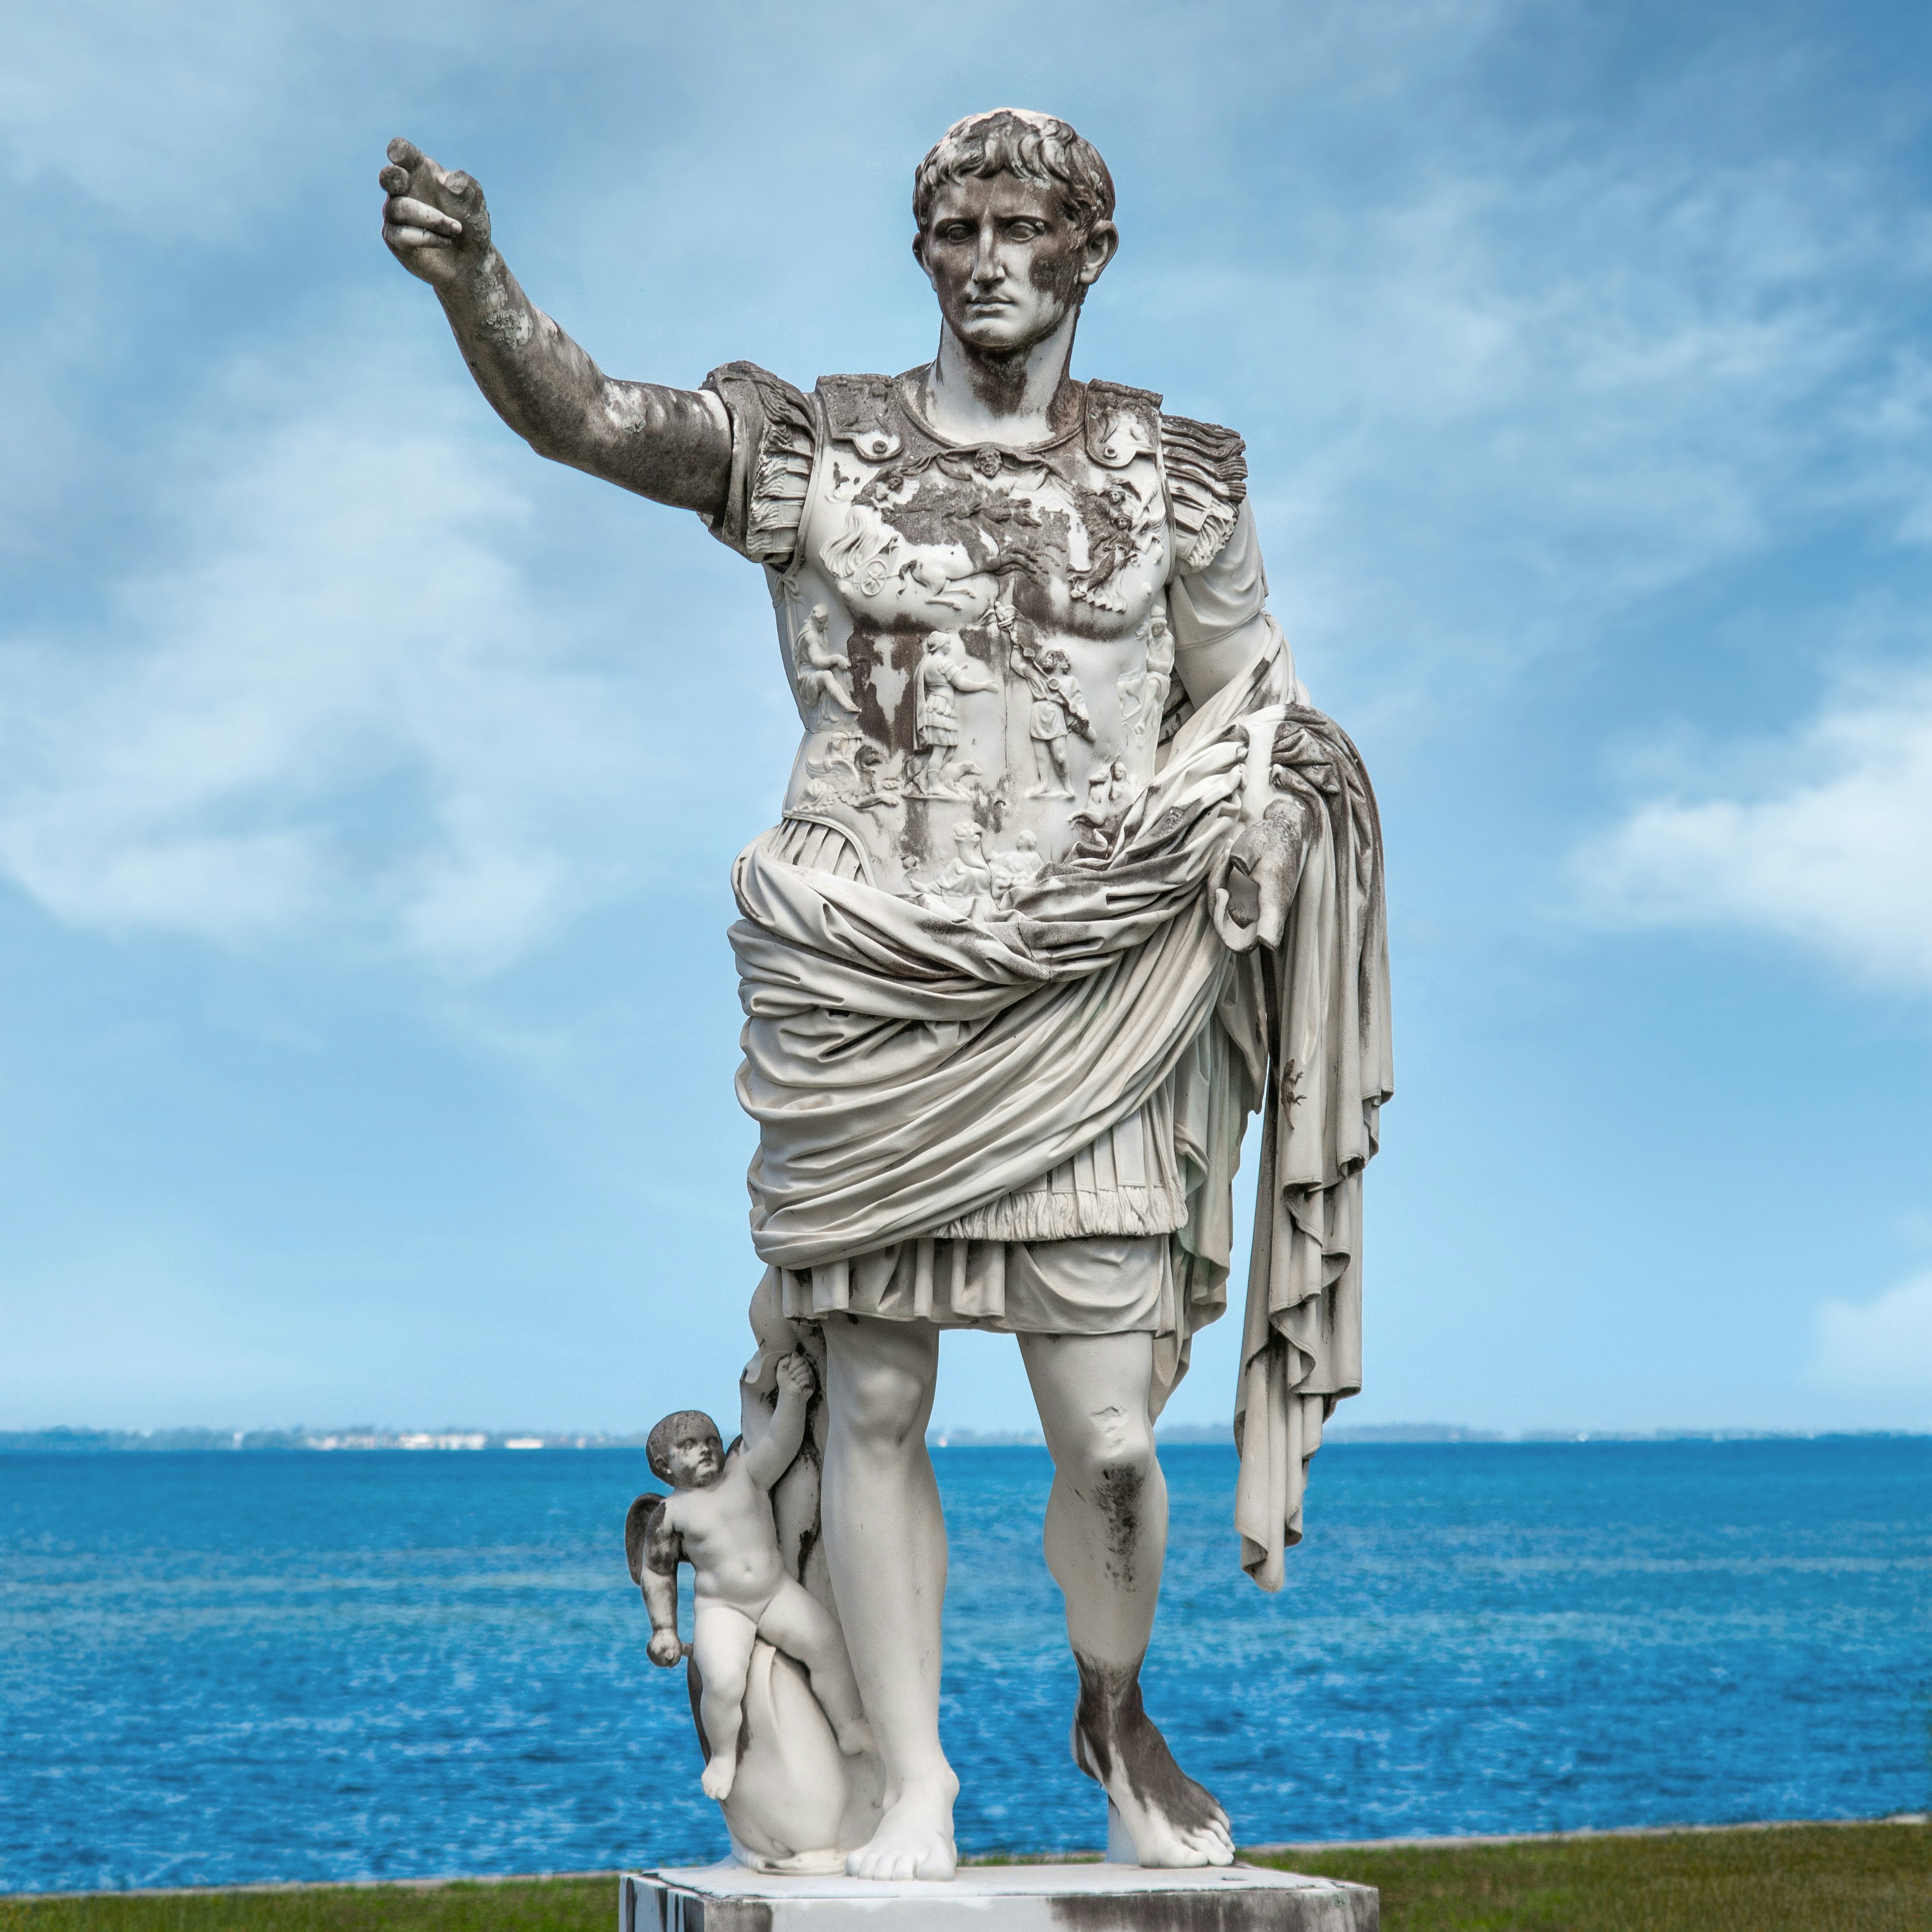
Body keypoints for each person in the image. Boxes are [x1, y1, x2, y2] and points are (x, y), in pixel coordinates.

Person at [380, 106, 1390, 1883]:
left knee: (1107, 1440)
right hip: (869, 975)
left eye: (1023, 227)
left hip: (1093, 983)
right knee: (877, 1407)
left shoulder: (1183, 475)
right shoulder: (818, 449)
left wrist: (1264, 816)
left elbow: (1254, 705)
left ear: (1090, 253)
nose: (987, 256)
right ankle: (909, 1776)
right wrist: (479, 283)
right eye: (956, 228)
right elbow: (597, 419)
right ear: (923, 250)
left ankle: (1111, 1701)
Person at [636, 1355, 873, 1802]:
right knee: (723, 1682)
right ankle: (724, 1755)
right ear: (665, 1468)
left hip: (775, 1591)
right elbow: (657, 1572)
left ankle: (847, 1726)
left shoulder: (745, 1472)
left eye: (710, 1439)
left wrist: (793, 1394)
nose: (706, 1448)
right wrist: (664, 1629)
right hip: (722, 1607)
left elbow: (782, 1443)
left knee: (826, 1644)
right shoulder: (672, 1514)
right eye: (688, 1445)